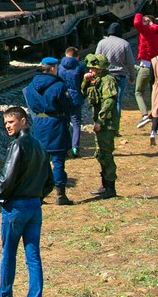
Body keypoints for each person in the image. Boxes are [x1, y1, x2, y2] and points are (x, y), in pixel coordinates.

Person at [0, 106, 53, 297]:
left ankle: (5, 294)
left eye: (11, 122)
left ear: (23, 121)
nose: (7, 126)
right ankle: (35, 294)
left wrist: (3, 198)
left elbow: (7, 177)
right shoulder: (40, 146)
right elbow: (50, 181)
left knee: (9, 254)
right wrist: (38, 196)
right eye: (5, 123)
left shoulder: (17, 145)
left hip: (16, 207)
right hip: (34, 206)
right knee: (33, 256)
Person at [23, 57, 75, 205]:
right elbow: (67, 105)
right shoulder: (59, 85)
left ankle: (39, 194)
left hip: (39, 123)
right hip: (56, 123)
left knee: (41, 161)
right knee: (58, 160)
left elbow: (31, 105)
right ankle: (60, 194)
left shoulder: (31, 86)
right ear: (53, 68)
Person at [81, 54, 119, 199]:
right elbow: (83, 93)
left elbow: (109, 102)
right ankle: (105, 185)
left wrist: (100, 121)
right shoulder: (95, 80)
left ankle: (110, 188)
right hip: (100, 122)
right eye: (90, 68)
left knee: (106, 154)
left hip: (106, 124)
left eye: (94, 68)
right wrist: (85, 82)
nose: (91, 70)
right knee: (100, 154)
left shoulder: (108, 80)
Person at [94, 22, 135, 116]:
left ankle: (103, 122)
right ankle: (115, 125)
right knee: (117, 101)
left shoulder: (101, 43)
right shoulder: (125, 44)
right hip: (120, 77)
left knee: (104, 100)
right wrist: (132, 77)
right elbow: (130, 64)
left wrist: (95, 75)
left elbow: (95, 60)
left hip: (104, 77)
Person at [132, 13, 158, 127]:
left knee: (138, 92)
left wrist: (139, 13)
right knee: (153, 93)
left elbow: (136, 23)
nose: (142, 22)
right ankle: (156, 118)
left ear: (150, 22)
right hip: (155, 66)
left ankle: (145, 116)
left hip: (146, 66)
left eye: (145, 20)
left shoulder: (148, 31)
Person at [57, 47, 87, 157]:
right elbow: (82, 84)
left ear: (66, 54)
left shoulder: (59, 67)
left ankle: (64, 147)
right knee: (76, 124)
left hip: (63, 98)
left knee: (64, 122)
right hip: (75, 98)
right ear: (77, 56)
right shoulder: (79, 67)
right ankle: (75, 148)